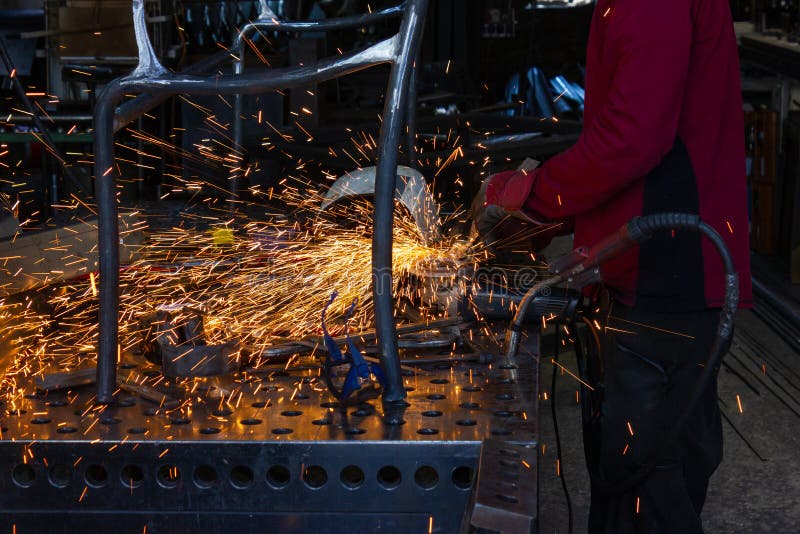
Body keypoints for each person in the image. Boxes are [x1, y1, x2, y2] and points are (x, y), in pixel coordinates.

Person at [478, 0, 752, 532]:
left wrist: (535, 200)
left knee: (647, 490)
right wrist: (562, 217)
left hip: (667, 273)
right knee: (629, 475)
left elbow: (634, 136)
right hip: (651, 268)